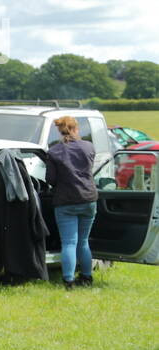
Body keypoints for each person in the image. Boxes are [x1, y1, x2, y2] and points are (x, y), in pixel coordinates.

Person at [44, 115, 98, 290]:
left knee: (69, 242)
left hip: (65, 201)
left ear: (60, 131)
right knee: (83, 241)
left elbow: (50, 179)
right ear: (76, 129)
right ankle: (87, 277)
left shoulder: (54, 151)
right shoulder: (89, 147)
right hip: (88, 198)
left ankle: (68, 281)